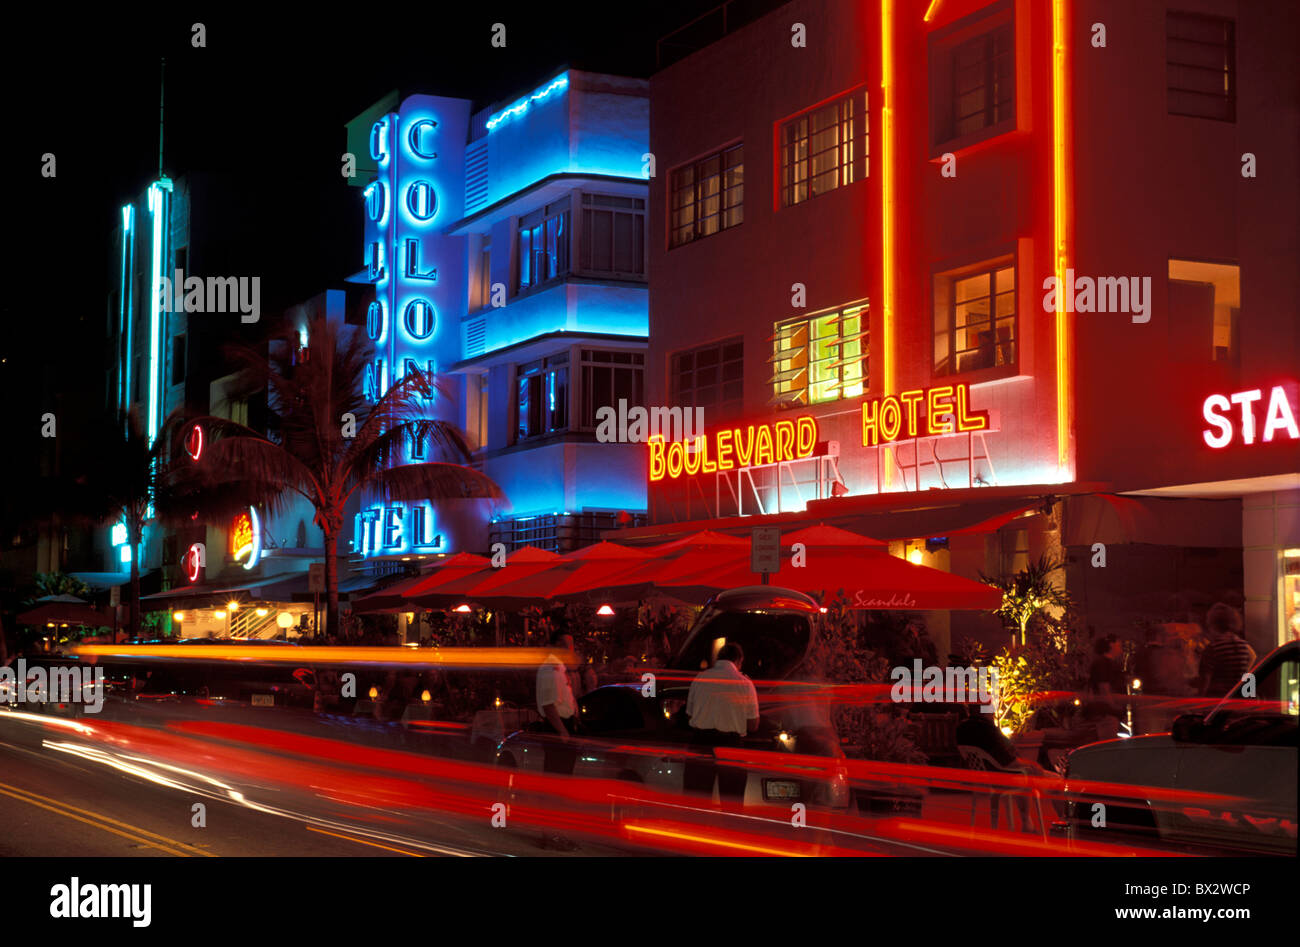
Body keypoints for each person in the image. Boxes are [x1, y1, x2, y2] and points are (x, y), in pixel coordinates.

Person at [684, 642, 759, 804]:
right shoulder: (745, 683)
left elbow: (689, 713)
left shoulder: (700, 678)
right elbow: (753, 724)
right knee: (731, 803)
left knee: (696, 803)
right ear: (739, 660)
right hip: (731, 746)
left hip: (701, 743)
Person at [1197, 603, 1256, 697]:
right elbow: (1253, 656)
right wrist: (1244, 672)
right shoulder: (1243, 645)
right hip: (1238, 696)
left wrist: (1199, 699)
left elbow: (1205, 680)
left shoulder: (1213, 648)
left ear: (1212, 624)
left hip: (1219, 699)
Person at [1084, 635, 1126, 739]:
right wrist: (1114, 708)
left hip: (1108, 711)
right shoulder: (1102, 664)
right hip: (1106, 713)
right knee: (1108, 740)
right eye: (1119, 645)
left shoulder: (1106, 663)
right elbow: (1104, 687)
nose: (1121, 648)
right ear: (1111, 645)